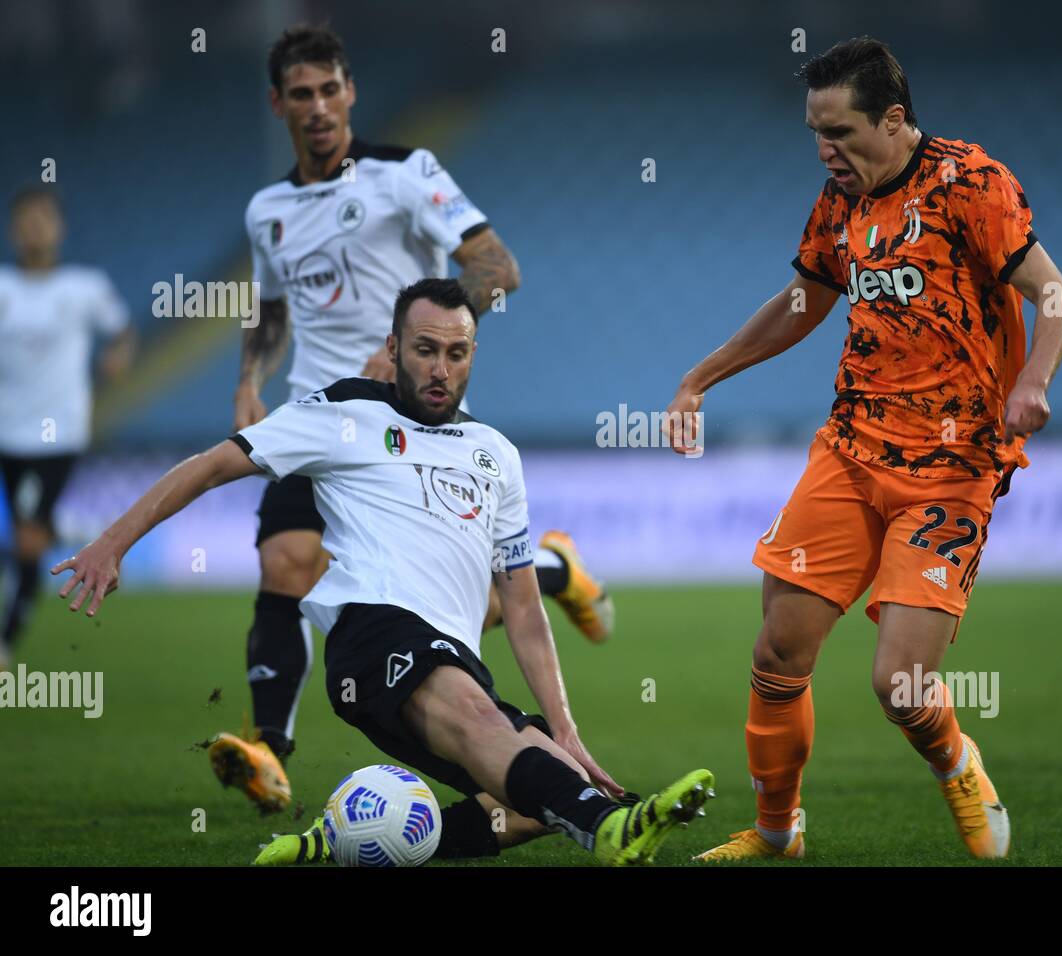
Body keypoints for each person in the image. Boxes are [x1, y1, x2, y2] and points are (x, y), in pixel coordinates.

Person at [52, 277, 711, 866]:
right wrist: (114, 541)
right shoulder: (343, 413)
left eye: (456, 354)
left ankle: (338, 847)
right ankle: (611, 831)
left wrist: (563, 726)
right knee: (511, 744)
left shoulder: (495, 455)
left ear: (473, 357)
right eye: (424, 349)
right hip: (373, 637)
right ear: (393, 347)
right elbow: (213, 464)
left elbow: (522, 603)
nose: (439, 368)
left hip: (452, 657)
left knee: (545, 787)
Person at [663, 36, 1062, 861]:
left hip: (952, 468)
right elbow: (802, 301)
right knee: (779, 646)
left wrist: (1033, 380)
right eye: (817, 133)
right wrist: (699, 379)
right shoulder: (839, 198)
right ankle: (778, 832)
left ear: (894, 120)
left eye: (842, 132)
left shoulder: (971, 182)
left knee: (900, 685)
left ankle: (957, 761)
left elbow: (1056, 293)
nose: (827, 151)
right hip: (852, 450)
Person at [215, 24, 613, 812]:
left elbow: (497, 269)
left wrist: (402, 355)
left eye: (331, 90)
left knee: (445, 599)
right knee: (284, 565)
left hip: (407, 429)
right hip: (318, 421)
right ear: (278, 104)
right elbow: (266, 307)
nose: (319, 107)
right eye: (302, 94)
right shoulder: (268, 210)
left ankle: (553, 570)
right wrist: (247, 381)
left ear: (351, 92)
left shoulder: (404, 175)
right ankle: (270, 752)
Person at [0, 186, 134, 669]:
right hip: (7, 434)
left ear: (59, 228)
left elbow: (121, 330)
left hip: (58, 436)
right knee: (25, 534)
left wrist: (117, 357)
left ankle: (6, 642)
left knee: (27, 538)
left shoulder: (84, 287)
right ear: (13, 229)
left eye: (43, 219)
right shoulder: (3, 288)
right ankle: (68, 528)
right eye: (26, 220)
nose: (35, 228)